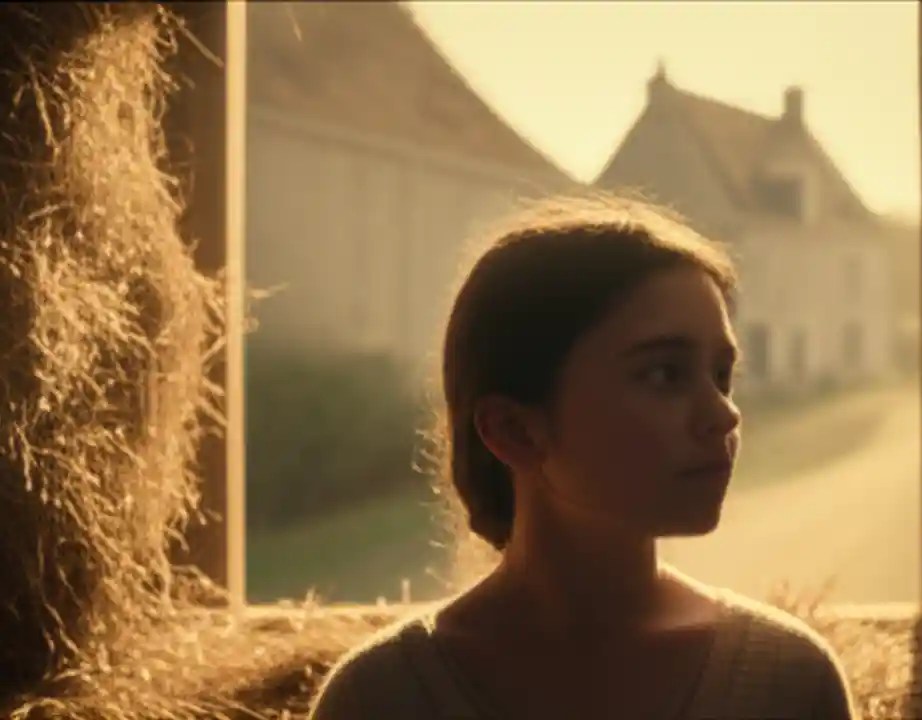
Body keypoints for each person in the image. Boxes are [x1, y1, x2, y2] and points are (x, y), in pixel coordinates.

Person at [308, 194, 855, 719]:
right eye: (664, 374)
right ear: (515, 431)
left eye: (721, 375)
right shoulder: (380, 699)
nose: (725, 415)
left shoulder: (788, 684)